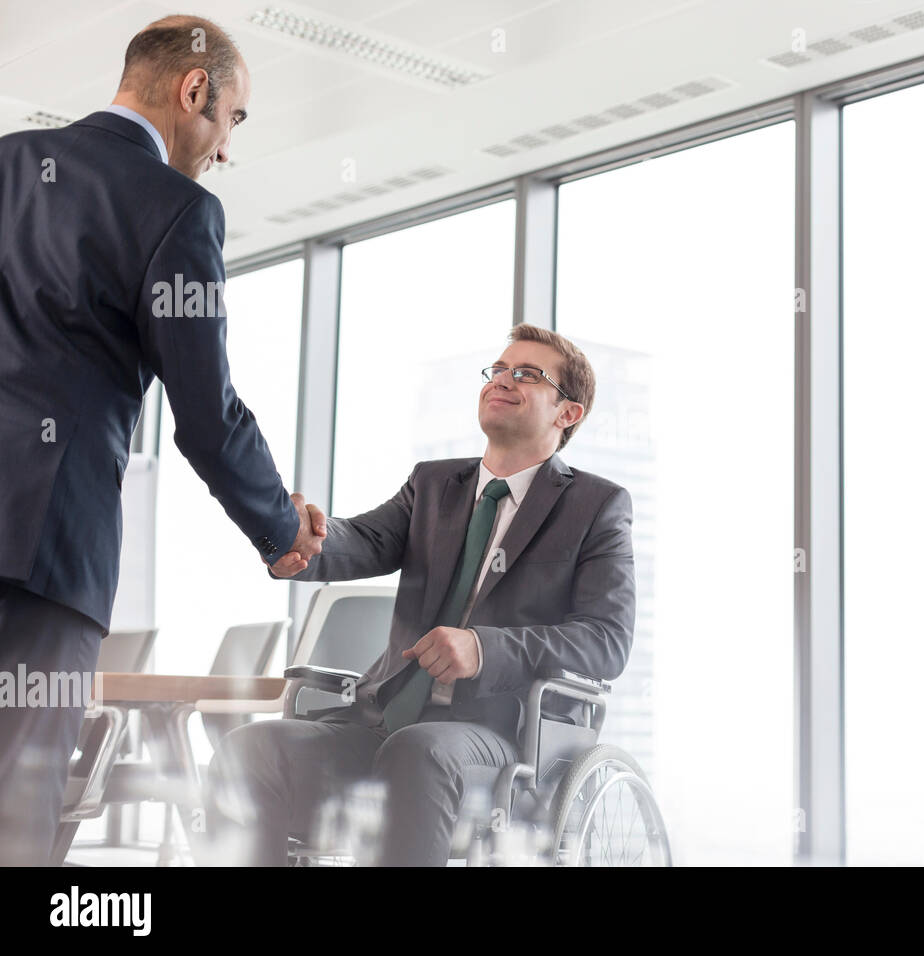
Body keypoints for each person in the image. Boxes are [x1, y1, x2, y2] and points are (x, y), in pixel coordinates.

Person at [0, 15, 324, 865]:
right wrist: (280, 527)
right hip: (45, 551)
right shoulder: (176, 210)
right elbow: (205, 414)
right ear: (194, 90)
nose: (224, 147)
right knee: (14, 811)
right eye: (232, 119)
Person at [203, 324, 636, 866]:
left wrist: (483, 649)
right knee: (249, 750)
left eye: (526, 374)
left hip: (500, 735)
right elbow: (360, 540)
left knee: (419, 751)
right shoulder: (433, 485)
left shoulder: (597, 506)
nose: (501, 380)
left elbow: (606, 641)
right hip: (384, 721)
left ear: (566, 413)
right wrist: (302, 538)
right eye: (497, 370)